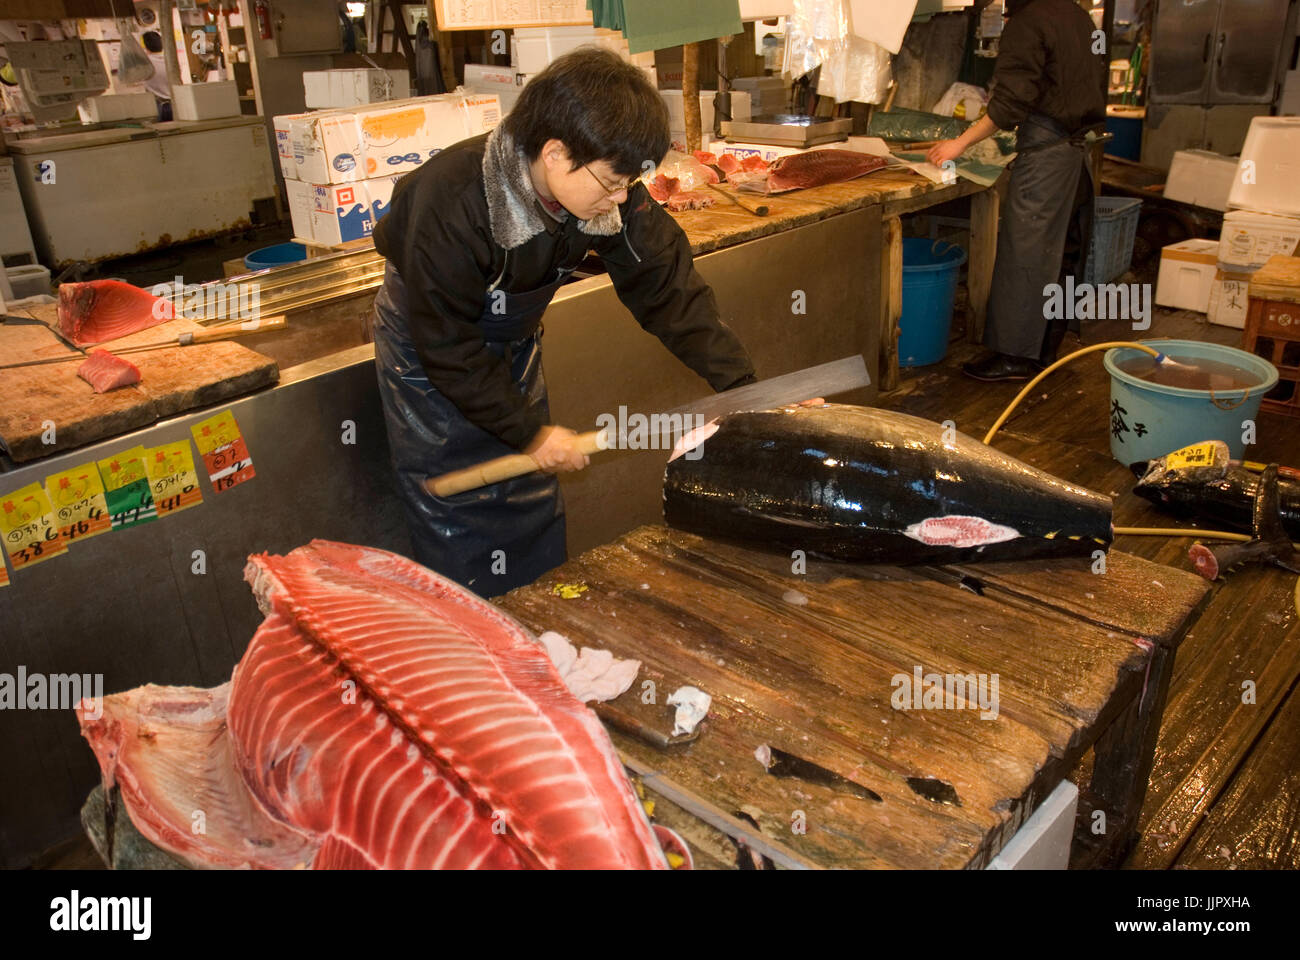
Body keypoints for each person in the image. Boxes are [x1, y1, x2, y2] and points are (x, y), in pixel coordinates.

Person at [371, 48, 757, 596]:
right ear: (555, 153)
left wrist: (743, 388)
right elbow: (448, 348)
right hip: (430, 353)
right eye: (610, 184)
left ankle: (540, 625)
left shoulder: (605, 188)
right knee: (459, 507)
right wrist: (529, 431)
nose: (620, 199)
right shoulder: (452, 201)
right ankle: (477, 652)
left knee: (531, 491)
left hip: (512, 337)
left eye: (629, 183)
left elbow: (666, 289)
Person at [928, 0, 1107, 381]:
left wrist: (959, 143)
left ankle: (1013, 357)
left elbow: (1011, 103)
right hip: (1075, 153)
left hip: (1048, 155)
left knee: (1025, 255)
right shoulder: (1077, 15)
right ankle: (1043, 352)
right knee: (1060, 257)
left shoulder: (1029, 23)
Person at [140, 31, 172, 122]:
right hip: (175, 103)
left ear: (145, 46)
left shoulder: (145, 63)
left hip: (158, 106)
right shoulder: (170, 60)